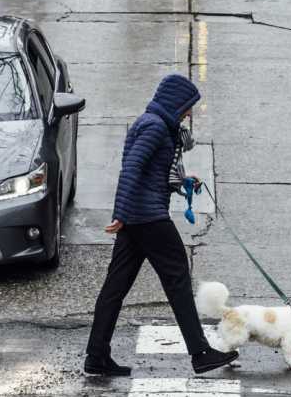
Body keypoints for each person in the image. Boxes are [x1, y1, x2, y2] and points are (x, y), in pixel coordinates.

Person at [83, 73, 238, 377]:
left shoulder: (156, 125)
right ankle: (200, 352)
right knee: (178, 279)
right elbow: (132, 169)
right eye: (188, 106)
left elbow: (153, 173)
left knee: (115, 288)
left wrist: (182, 184)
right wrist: (120, 214)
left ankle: (96, 356)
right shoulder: (154, 127)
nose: (189, 112)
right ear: (175, 102)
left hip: (138, 219)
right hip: (148, 218)